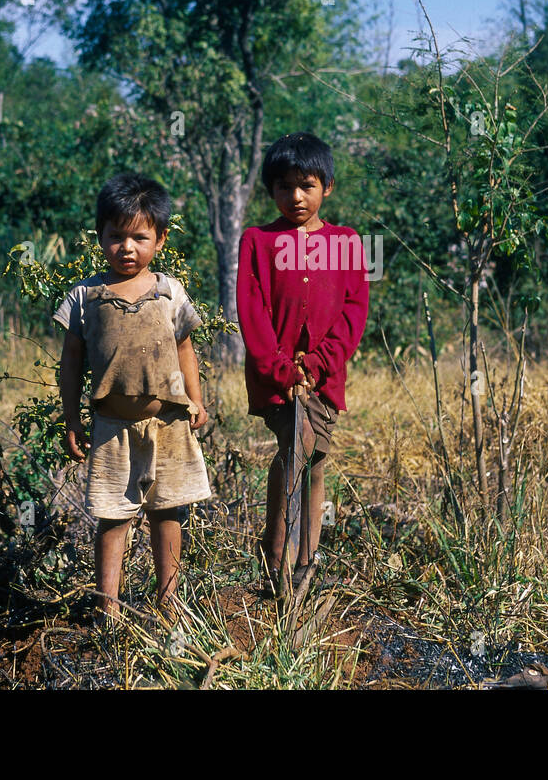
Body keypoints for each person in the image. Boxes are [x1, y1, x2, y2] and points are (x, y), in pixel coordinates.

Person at [54, 172, 211, 627]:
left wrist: (196, 400)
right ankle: (108, 609)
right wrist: (71, 419)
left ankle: (169, 604)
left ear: (160, 239)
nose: (127, 247)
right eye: (116, 236)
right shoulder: (85, 296)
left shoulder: (168, 291)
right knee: (113, 518)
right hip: (111, 430)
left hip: (169, 426)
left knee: (168, 512)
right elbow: (71, 362)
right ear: (99, 236)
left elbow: (185, 349)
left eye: (139, 237)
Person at [236, 132, 369, 595]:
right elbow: (251, 310)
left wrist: (316, 364)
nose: (295, 196)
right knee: (299, 444)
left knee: (315, 457)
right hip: (276, 377)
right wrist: (283, 368)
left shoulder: (346, 241)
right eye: (284, 187)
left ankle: (304, 559)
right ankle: (279, 553)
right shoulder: (258, 241)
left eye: (306, 185)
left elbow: (355, 310)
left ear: (326, 187)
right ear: (270, 191)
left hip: (324, 376)